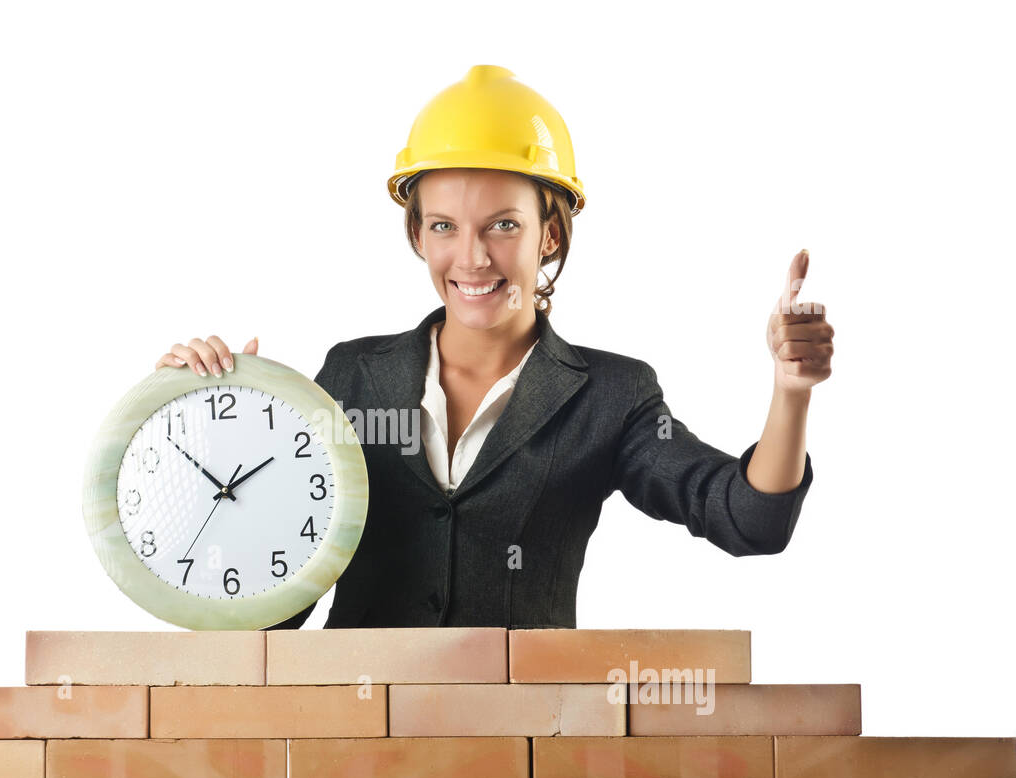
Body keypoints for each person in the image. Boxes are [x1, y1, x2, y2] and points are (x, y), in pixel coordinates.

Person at [154, 65, 833, 631]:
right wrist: (197, 428)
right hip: (355, 747)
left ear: (551, 236)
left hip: (527, 758)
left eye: (504, 224)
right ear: (418, 234)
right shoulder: (352, 378)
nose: (472, 256)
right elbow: (272, 606)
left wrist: (791, 391)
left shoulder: (610, 397)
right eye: (445, 225)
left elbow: (750, 520)